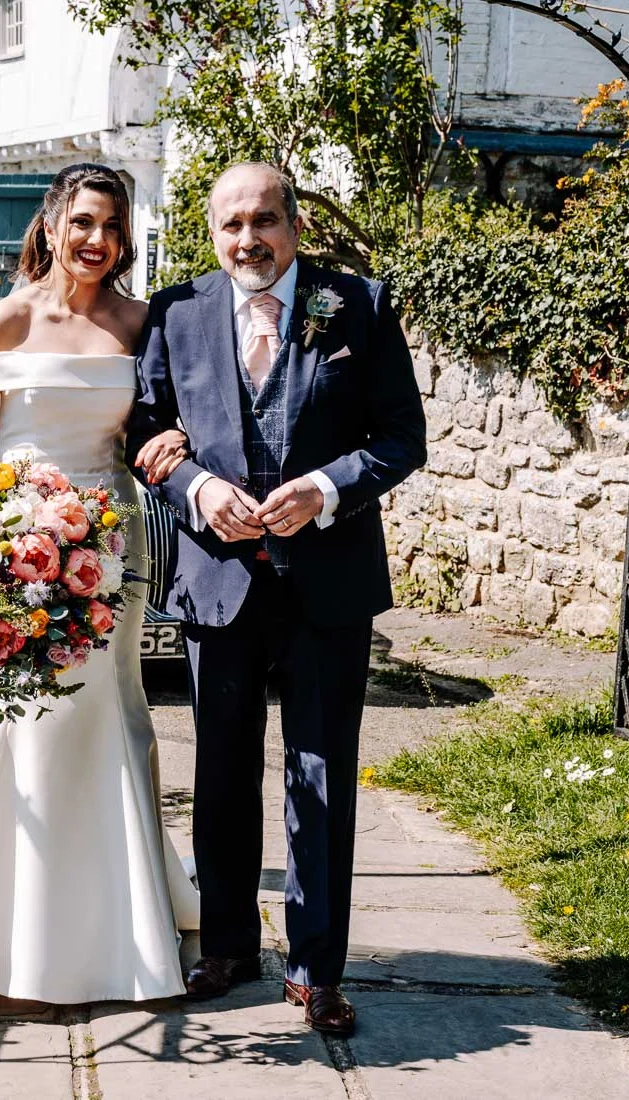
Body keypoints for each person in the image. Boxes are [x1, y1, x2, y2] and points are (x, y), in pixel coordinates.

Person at [0, 163, 200, 1003]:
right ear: (54, 224)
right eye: (85, 222)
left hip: (111, 547)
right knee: (14, 718)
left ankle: (118, 917)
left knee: (108, 710)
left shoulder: (142, 321)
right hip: (18, 549)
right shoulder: (10, 318)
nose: (99, 241)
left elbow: (163, 420)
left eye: (114, 227)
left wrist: (177, 444)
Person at [125, 162, 427, 1035]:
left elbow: (401, 437)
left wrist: (326, 491)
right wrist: (189, 484)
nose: (247, 240)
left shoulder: (356, 305)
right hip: (217, 582)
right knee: (219, 770)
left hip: (328, 586)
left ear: (294, 225)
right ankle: (224, 946)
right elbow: (144, 422)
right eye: (230, 225)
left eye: (263, 220)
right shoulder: (178, 314)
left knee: (322, 774)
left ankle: (317, 969)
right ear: (212, 233)